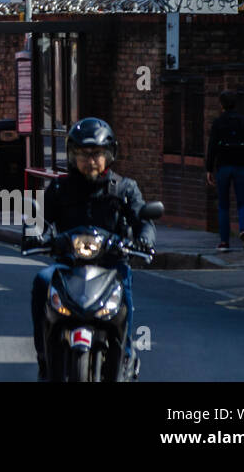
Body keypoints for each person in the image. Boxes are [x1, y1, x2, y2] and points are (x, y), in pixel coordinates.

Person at [30, 117, 156, 380]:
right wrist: (36, 236)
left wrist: (145, 239)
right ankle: (44, 355)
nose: (91, 161)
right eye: (83, 154)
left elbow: (143, 219)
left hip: (111, 265)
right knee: (42, 280)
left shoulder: (124, 188)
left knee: (125, 289)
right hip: (68, 266)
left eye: (97, 154)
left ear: (109, 155)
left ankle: (126, 355)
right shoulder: (58, 188)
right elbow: (41, 221)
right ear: (73, 156)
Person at [206, 90, 244, 252]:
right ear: (235, 104)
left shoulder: (218, 123)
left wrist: (209, 169)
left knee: (223, 205)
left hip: (223, 167)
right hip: (242, 166)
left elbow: (212, 147)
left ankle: (224, 241)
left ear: (221, 105)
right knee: (243, 202)